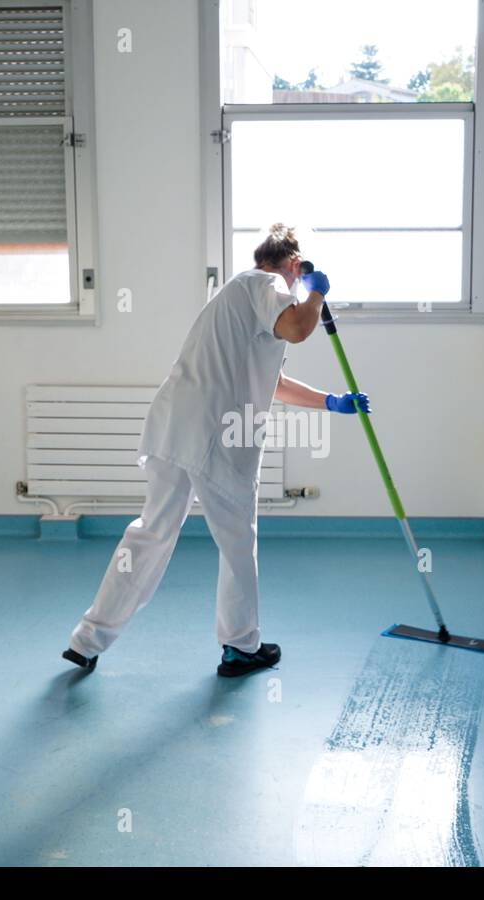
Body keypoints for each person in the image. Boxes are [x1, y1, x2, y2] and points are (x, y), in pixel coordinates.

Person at [63, 224, 369, 677]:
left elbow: (276, 383)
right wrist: (315, 295)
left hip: (175, 425)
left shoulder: (238, 297)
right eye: (297, 270)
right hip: (216, 435)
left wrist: (330, 402)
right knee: (238, 541)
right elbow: (300, 329)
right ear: (289, 264)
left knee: (150, 534)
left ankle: (87, 639)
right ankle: (241, 645)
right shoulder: (266, 285)